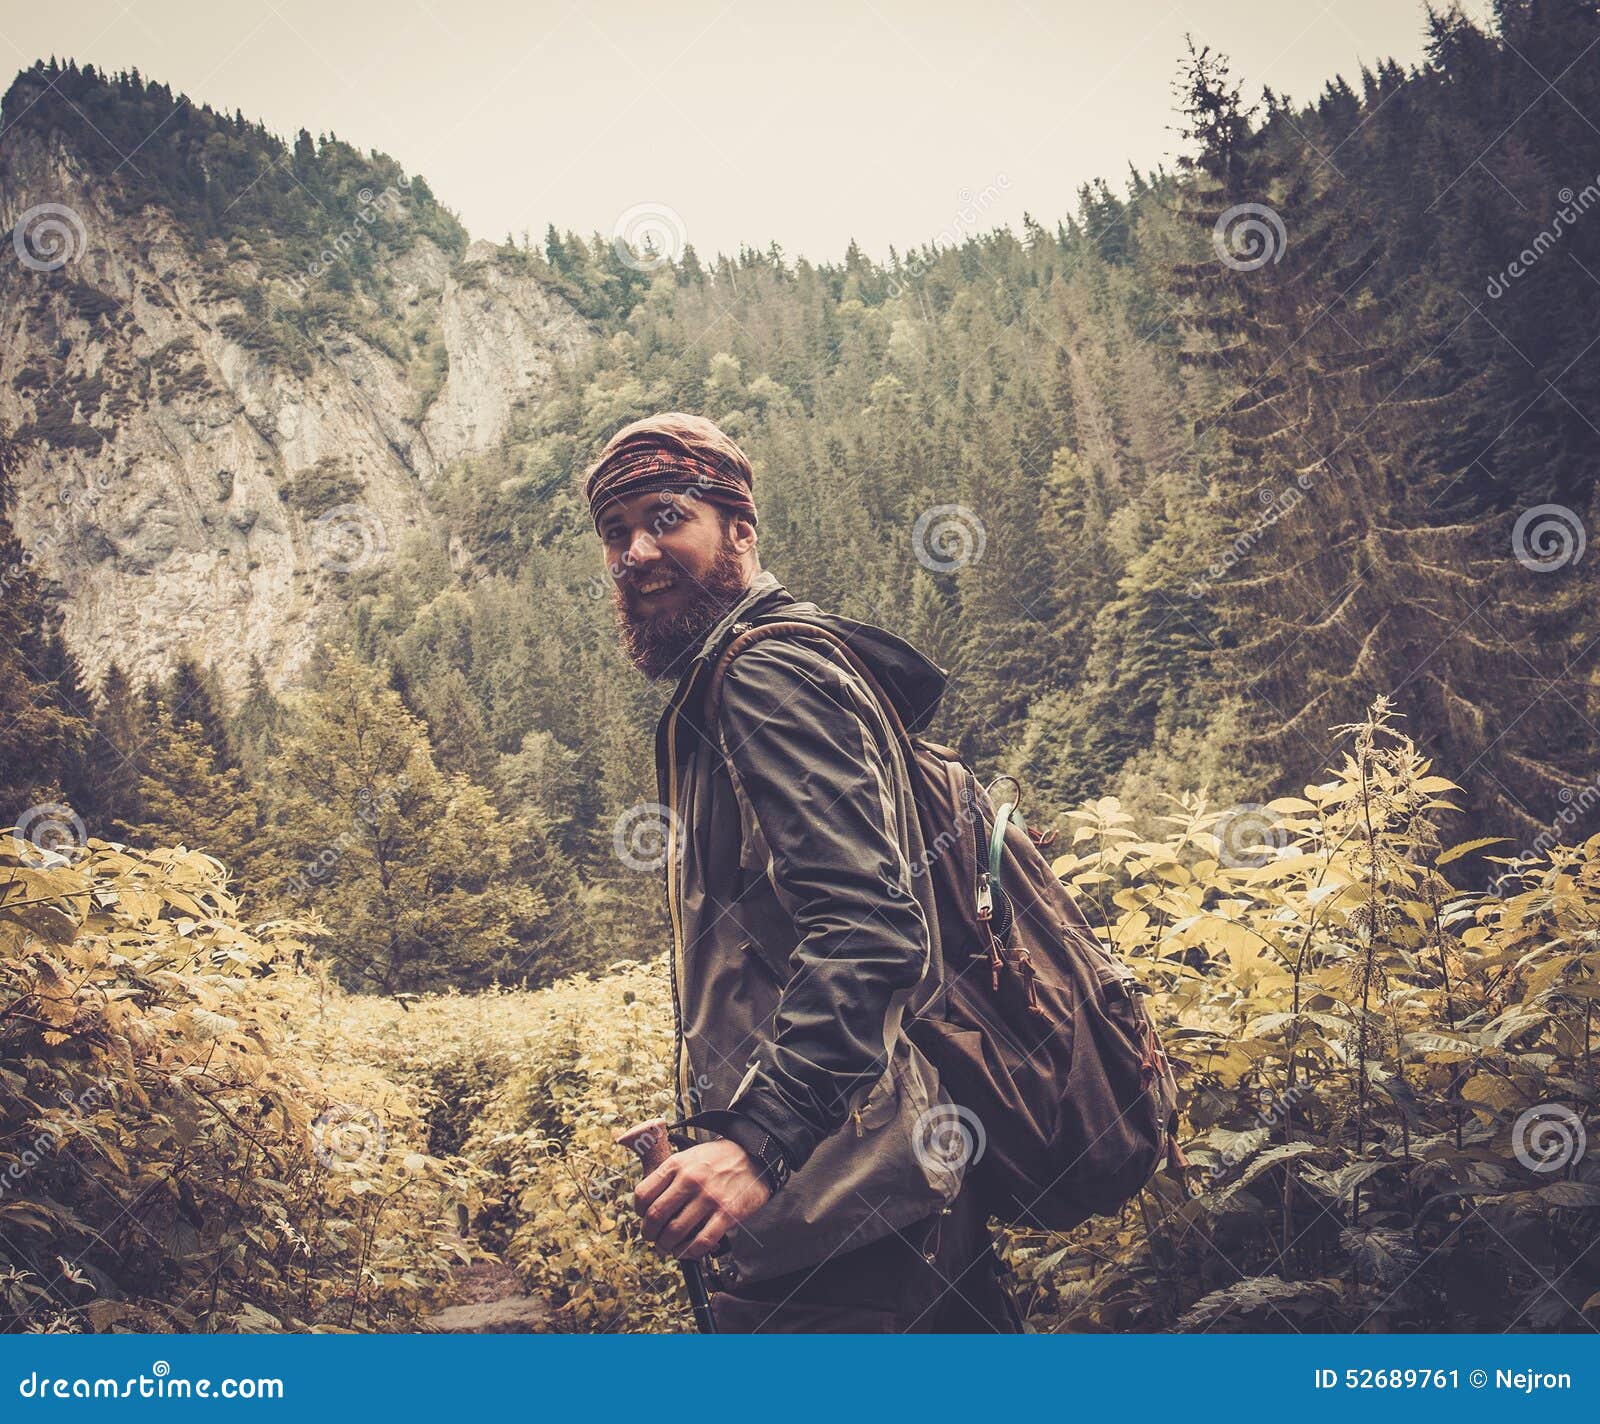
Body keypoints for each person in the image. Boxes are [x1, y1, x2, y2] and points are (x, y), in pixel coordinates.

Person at [590, 412, 1022, 1333]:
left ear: (739, 532)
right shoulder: (758, 667)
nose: (635, 551)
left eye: (666, 517)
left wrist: (759, 1147)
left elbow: (869, 927)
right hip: (871, 1191)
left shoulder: (762, 674)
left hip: (849, 1212)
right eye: (615, 531)